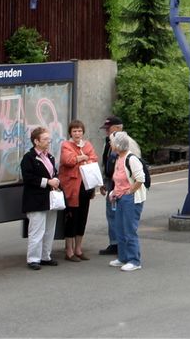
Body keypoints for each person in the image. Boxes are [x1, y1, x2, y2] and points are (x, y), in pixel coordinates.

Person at [21, 126, 61, 270]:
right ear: (36, 141)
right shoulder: (29, 157)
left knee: (49, 229)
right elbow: (28, 178)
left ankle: (45, 256)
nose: (48, 141)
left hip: (50, 198)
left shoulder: (50, 156)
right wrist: (47, 182)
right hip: (35, 199)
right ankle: (33, 259)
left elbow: (54, 172)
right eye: (45, 139)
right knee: (36, 230)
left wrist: (56, 180)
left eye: (48, 139)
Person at [59, 119, 98, 261]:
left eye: (80, 131)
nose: (77, 133)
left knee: (82, 218)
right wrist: (83, 157)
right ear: (70, 132)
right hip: (71, 188)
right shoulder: (66, 145)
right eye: (74, 131)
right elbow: (68, 160)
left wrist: (80, 158)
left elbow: (94, 159)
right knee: (71, 218)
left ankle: (78, 248)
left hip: (85, 187)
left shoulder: (88, 145)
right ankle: (69, 250)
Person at [108, 130, 147, 271]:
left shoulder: (131, 159)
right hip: (120, 197)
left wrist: (130, 191)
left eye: (112, 143)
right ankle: (123, 257)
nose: (110, 144)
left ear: (118, 145)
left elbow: (140, 178)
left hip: (131, 199)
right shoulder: (119, 158)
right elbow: (119, 180)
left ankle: (134, 260)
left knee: (129, 229)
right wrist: (115, 192)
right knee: (119, 228)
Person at [97, 115, 123, 256]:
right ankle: (115, 243)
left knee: (118, 214)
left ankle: (120, 244)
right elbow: (106, 164)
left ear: (117, 128)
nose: (106, 131)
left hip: (119, 184)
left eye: (109, 128)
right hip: (110, 182)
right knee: (111, 213)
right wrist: (103, 182)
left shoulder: (123, 143)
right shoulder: (108, 142)